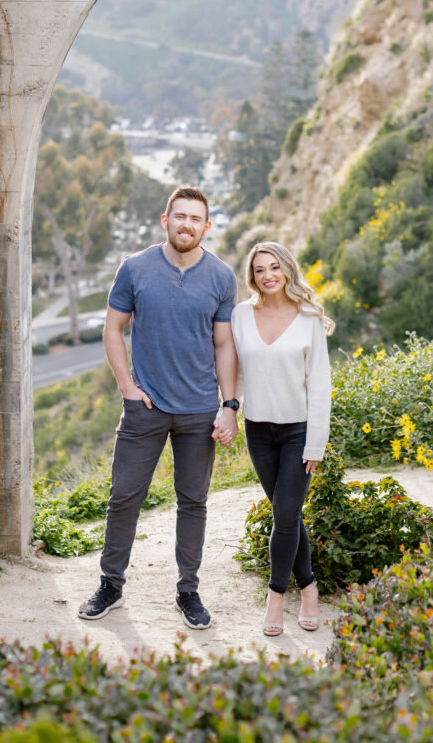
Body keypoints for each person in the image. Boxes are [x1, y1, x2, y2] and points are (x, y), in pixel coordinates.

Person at [78, 186, 239, 629]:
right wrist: (127, 386)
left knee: (193, 501)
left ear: (207, 227)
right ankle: (111, 584)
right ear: (165, 220)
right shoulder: (135, 269)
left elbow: (224, 344)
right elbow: (114, 331)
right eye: (179, 216)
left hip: (198, 412)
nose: (186, 224)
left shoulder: (222, 277)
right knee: (124, 498)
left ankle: (188, 591)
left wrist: (229, 406)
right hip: (144, 408)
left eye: (196, 219)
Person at [231, 241, 334, 636]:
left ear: (287, 270)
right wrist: (228, 408)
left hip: (299, 431)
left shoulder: (308, 317)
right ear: (252, 276)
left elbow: (320, 384)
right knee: (286, 513)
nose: (268, 275)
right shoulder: (242, 315)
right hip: (258, 430)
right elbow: (234, 368)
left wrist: (316, 443)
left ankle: (276, 598)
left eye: (274, 267)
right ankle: (309, 587)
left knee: (285, 514)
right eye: (260, 270)